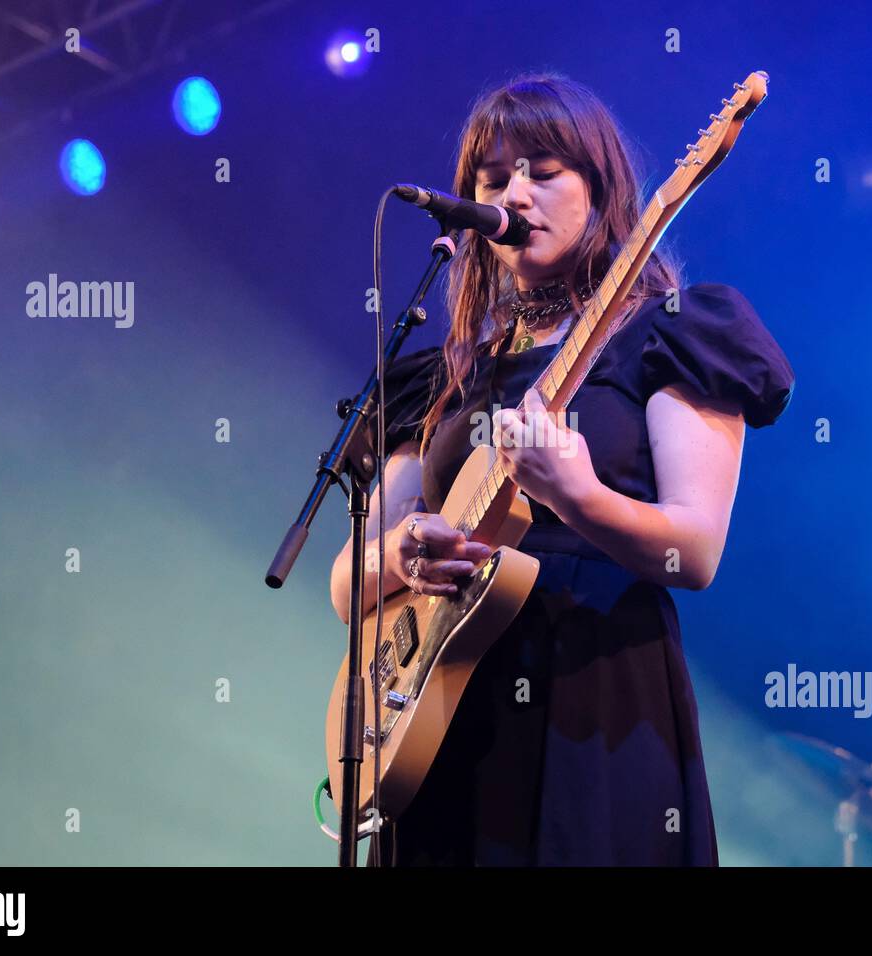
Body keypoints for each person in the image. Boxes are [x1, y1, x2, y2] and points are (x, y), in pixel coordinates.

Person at [329, 72, 795, 866]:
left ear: (601, 187)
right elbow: (349, 580)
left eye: (545, 173)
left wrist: (577, 495)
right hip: (439, 707)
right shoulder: (442, 375)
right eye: (495, 177)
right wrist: (405, 549)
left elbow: (697, 550)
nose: (518, 193)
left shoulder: (669, 335)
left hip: (597, 702)